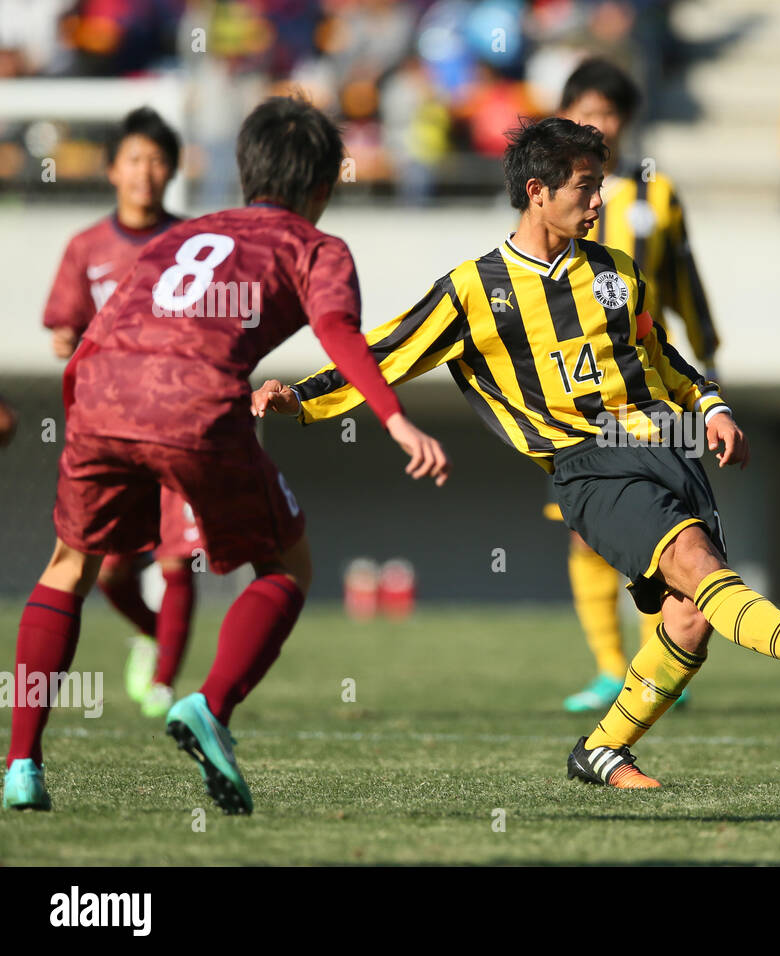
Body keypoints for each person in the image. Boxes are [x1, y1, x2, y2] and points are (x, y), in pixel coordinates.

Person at [253, 117, 780, 790]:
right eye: (585, 187)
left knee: (690, 620)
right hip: (589, 468)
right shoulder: (474, 289)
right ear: (537, 191)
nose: (599, 201)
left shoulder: (617, 274)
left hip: (673, 453)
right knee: (695, 563)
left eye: (600, 185)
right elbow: (387, 351)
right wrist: (304, 398)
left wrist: (712, 409)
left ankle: (602, 752)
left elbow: (662, 360)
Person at [3, 95, 450, 815]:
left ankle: (21, 764)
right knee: (286, 563)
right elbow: (337, 331)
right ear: (324, 187)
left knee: (68, 566)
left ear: (247, 172)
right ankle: (209, 705)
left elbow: (97, 333)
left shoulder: (181, 234)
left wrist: (89, 412)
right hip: (195, 406)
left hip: (98, 395)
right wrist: (394, 418)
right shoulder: (316, 245)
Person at [551, 57, 722, 713]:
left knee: (662, 528)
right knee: (587, 531)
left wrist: (709, 376)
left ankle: (659, 669)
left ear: (625, 122)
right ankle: (606, 669)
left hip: (648, 392)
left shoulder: (656, 194)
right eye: (585, 112)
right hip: (576, 395)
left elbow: (686, 286)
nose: (598, 123)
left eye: (609, 113)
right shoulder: (553, 198)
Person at [41, 106, 197, 717]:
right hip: (109, 428)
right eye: (134, 158)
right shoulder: (86, 247)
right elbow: (64, 324)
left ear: (171, 171)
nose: (146, 172)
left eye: (158, 160)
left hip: (180, 422)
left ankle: (163, 684)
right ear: (112, 170)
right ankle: (154, 632)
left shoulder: (192, 244)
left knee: (181, 555)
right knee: (107, 573)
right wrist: (63, 338)